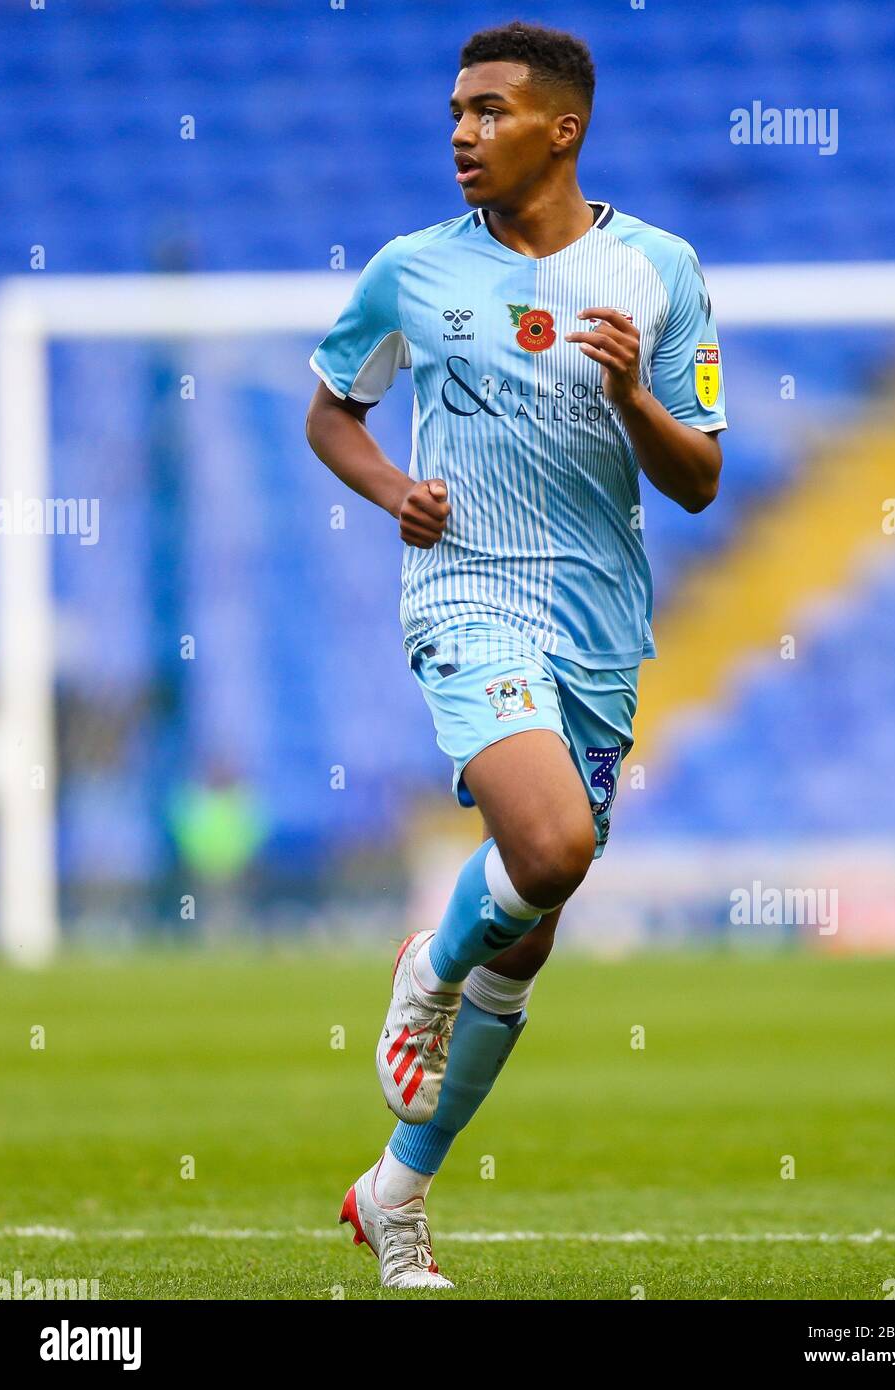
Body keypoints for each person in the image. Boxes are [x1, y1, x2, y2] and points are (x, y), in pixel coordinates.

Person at [305, 19, 726, 1289]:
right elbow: (334, 407)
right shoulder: (412, 272)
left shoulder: (661, 270)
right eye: (454, 114)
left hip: (598, 624)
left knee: (530, 930)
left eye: (488, 113)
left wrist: (634, 400)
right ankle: (424, 968)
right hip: (464, 597)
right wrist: (392, 491)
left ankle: (398, 1193)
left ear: (563, 127)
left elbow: (701, 477)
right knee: (548, 849)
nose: (461, 136)